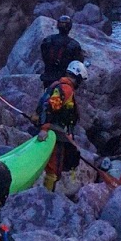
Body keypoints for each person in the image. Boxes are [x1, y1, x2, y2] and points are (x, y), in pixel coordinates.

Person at [37, 59, 87, 191]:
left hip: (58, 130)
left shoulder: (58, 85)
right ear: (78, 77)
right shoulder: (66, 88)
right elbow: (50, 107)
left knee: (55, 166)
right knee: (54, 168)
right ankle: (48, 195)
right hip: (55, 132)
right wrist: (44, 128)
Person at [38, 14, 85, 88]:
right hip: (63, 81)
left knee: (47, 97)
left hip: (47, 77)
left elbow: (44, 56)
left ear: (57, 26)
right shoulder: (74, 45)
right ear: (70, 27)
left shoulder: (48, 40)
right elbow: (78, 63)